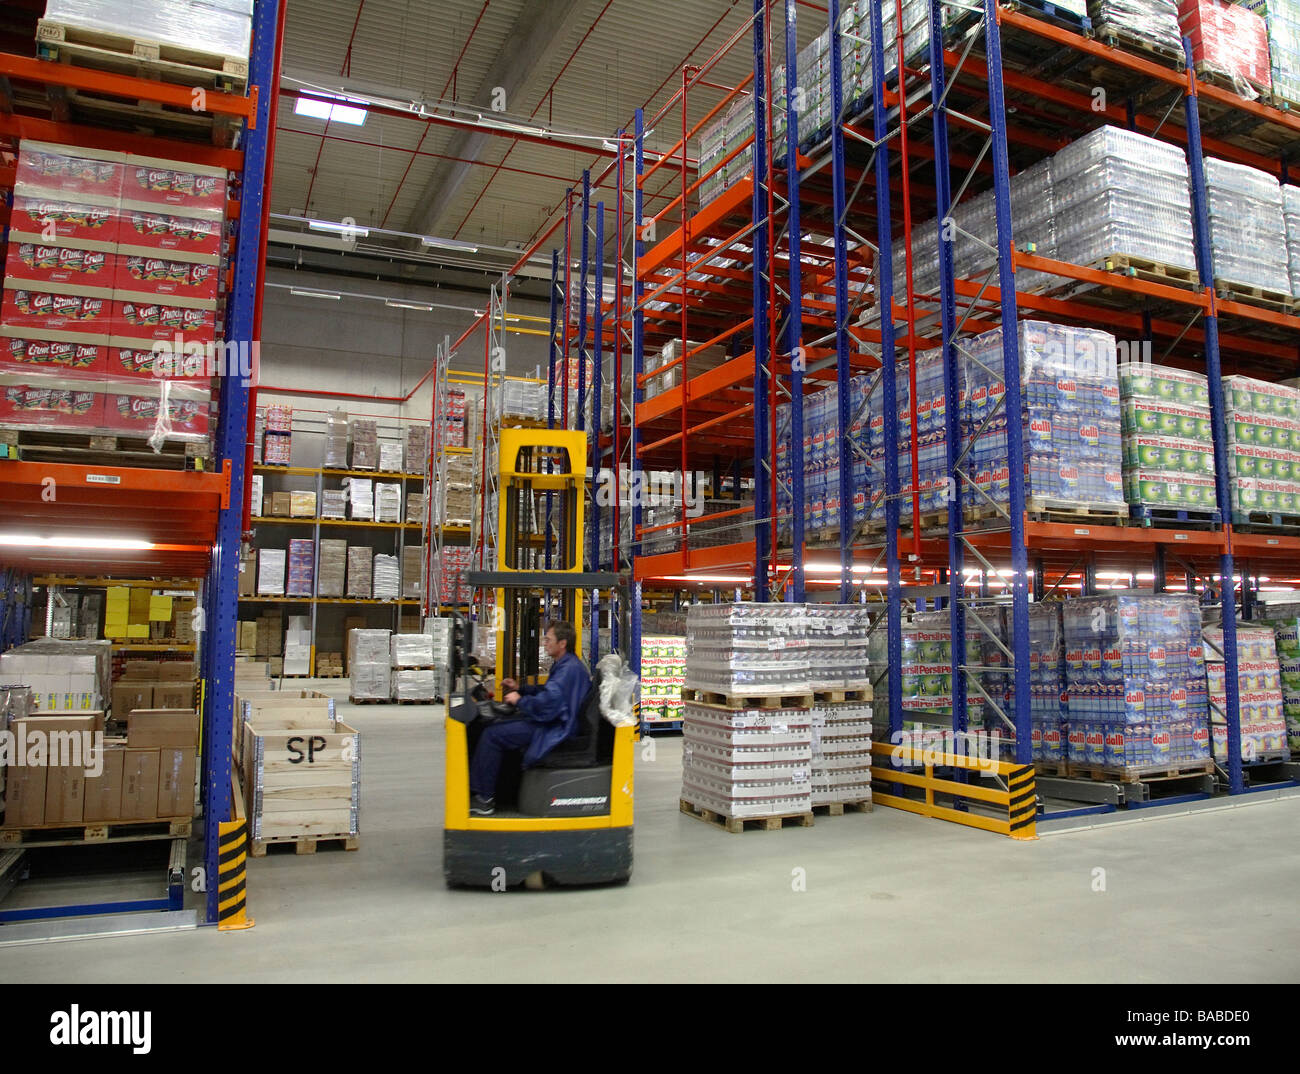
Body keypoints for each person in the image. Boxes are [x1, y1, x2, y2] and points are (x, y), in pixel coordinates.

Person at [469, 621, 591, 816]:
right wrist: (521, 689)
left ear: (562, 643)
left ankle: (485, 799)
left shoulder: (568, 669)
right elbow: (548, 692)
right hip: (555, 720)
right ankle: (497, 791)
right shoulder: (565, 664)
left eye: (548, 639)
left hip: (556, 727)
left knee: (492, 735)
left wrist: (520, 701)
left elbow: (549, 703)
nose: (544, 643)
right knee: (500, 725)